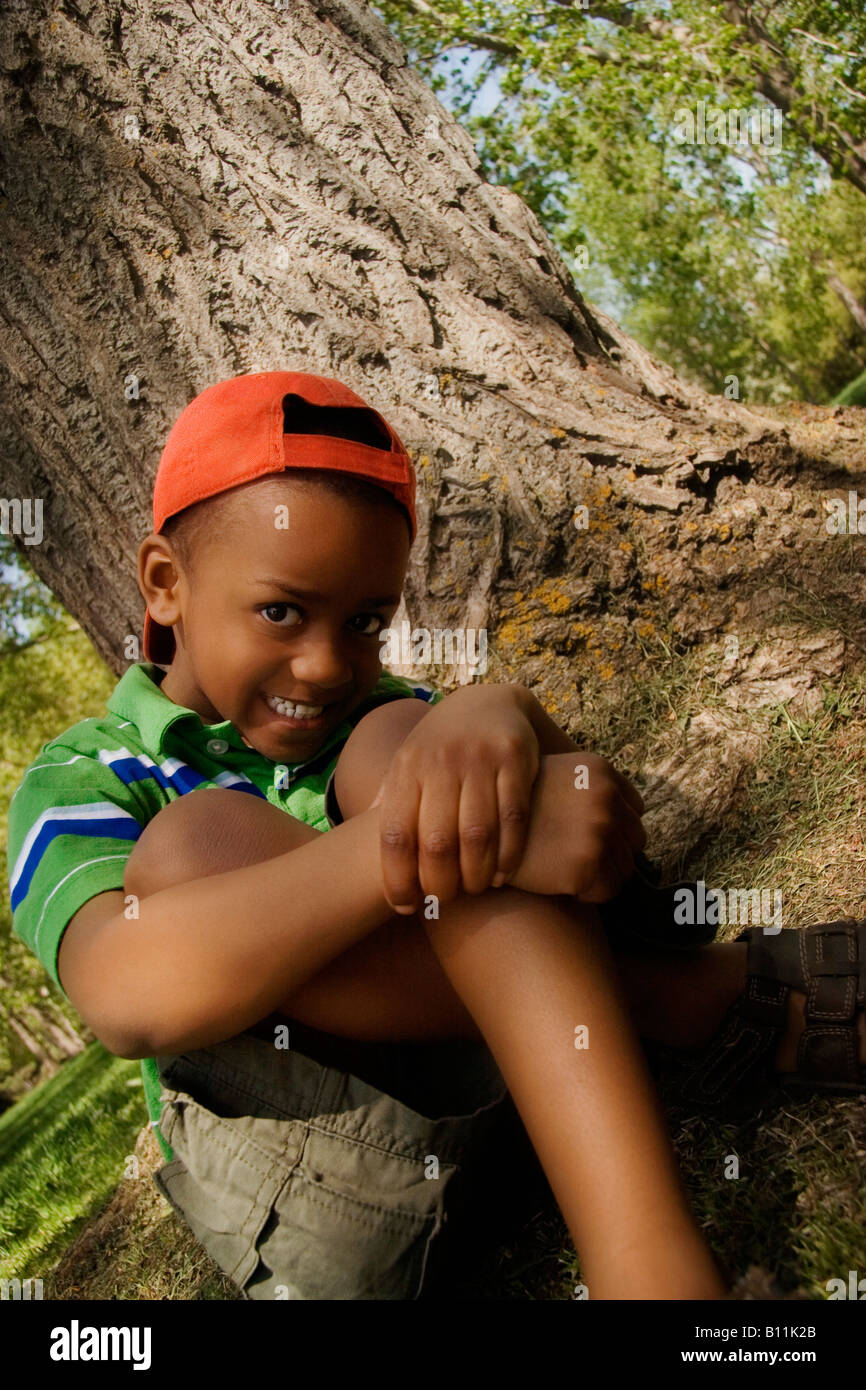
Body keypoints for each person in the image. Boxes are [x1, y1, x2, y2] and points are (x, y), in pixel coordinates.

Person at [8, 371, 865, 1301]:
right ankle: (682, 1005)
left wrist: (503, 714)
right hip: (346, 1178)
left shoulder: (378, 714)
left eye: (367, 622)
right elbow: (127, 994)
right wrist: (416, 843)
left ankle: (650, 1272)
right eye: (283, 611)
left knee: (412, 748)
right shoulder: (84, 777)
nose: (329, 662)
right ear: (166, 584)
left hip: (545, 1102)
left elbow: (596, 840)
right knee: (194, 844)